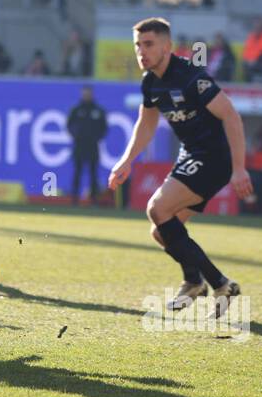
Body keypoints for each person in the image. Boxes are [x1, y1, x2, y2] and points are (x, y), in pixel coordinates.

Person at [108, 18, 253, 312]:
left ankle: (201, 281)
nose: (141, 52)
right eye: (138, 45)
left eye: (148, 44)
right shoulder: (150, 82)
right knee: (161, 232)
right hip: (191, 156)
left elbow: (231, 116)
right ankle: (213, 282)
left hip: (214, 158)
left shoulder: (190, 77)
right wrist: (126, 161)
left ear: (167, 46)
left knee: (156, 209)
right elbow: (146, 124)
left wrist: (239, 168)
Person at [67, 86, 108, 206]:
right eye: (84, 93)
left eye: (88, 93)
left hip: (93, 146)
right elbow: (69, 125)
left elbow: (104, 127)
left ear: (92, 94)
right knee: (77, 173)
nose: (86, 95)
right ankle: (74, 199)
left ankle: (94, 200)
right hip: (79, 146)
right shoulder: (76, 109)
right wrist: (76, 136)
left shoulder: (98, 110)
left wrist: (96, 137)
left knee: (93, 174)